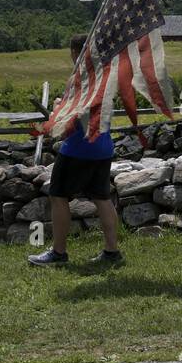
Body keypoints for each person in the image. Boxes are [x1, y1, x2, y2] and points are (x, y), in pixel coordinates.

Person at [28, 34, 123, 267]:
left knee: (59, 196)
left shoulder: (81, 78)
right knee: (102, 198)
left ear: (75, 53)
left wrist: (58, 108)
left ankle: (58, 253)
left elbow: (74, 115)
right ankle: (112, 251)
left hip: (79, 148)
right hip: (102, 146)